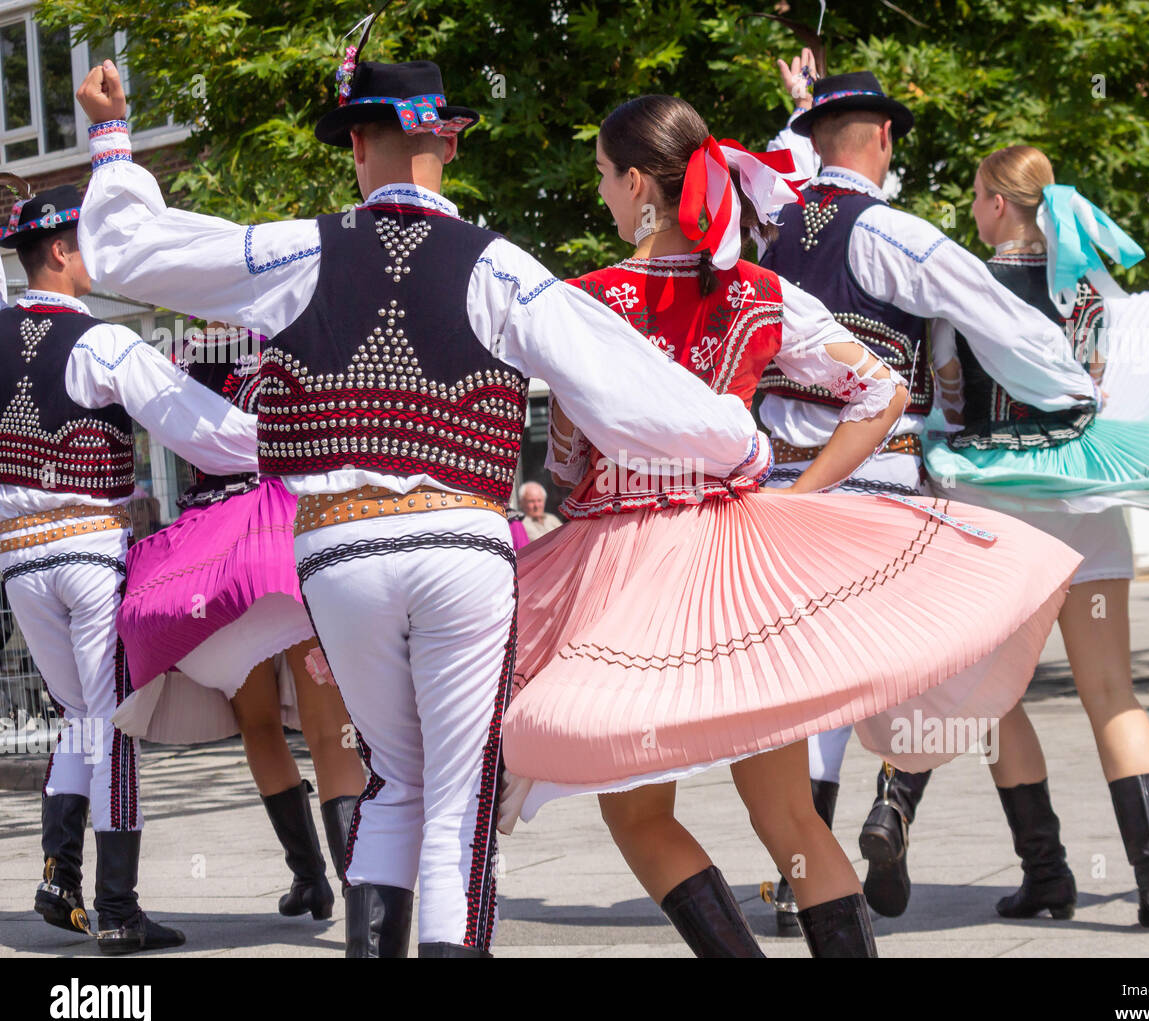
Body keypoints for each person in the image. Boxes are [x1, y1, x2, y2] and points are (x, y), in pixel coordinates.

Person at [74, 51, 773, 958]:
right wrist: (740, 442)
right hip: (460, 548)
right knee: (460, 794)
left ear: (358, 144)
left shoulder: (294, 250)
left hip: (340, 552)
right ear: (446, 140)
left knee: (394, 780)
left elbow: (133, 252)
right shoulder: (502, 266)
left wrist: (111, 137)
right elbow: (627, 388)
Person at [497, 94, 1085, 958]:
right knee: (786, 818)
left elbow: (574, 467)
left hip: (625, 571)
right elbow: (882, 391)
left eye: (600, 179)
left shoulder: (588, 302)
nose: (600, 197)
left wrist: (582, 489)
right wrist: (797, 494)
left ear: (635, 184)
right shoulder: (758, 291)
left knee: (635, 809)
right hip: (738, 565)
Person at [903, 143, 1149, 928]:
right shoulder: (1083, 291)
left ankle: (1046, 877)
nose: (971, 208)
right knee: (1113, 694)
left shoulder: (961, 290)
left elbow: (949, 396)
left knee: (993, 696)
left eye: (977, 194)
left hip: (995, 503)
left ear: (994, 202)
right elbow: (1099, 389)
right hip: (1088, 496)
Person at [755, 58, 1101, 930]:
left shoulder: (774, 235)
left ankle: (808, 877)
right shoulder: (895, 235)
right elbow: (988, 310)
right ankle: (896, 803)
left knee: (812, 686)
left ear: (813, 143)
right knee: (942, 661)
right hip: (874, 479)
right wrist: (1073, 387)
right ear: (883, 138)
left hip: (784, 485)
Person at [1, 184, 258, 953]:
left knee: (78, 718)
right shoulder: (103, 342)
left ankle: (57, 876)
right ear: (59, 251)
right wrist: (289, 446)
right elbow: (197, 426)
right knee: (111, 725)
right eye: (91, 241)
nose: (104, 258)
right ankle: (116, 908)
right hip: (89, 551)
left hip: (18, 560)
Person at [111, 323, 366, 921]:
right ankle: (364, 896)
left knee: (255, 724)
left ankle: (310, 878)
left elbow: (172, 435)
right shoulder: (301, 330)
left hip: (218, 555)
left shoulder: (187, 352)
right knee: (330, 731)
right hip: (290, 533)